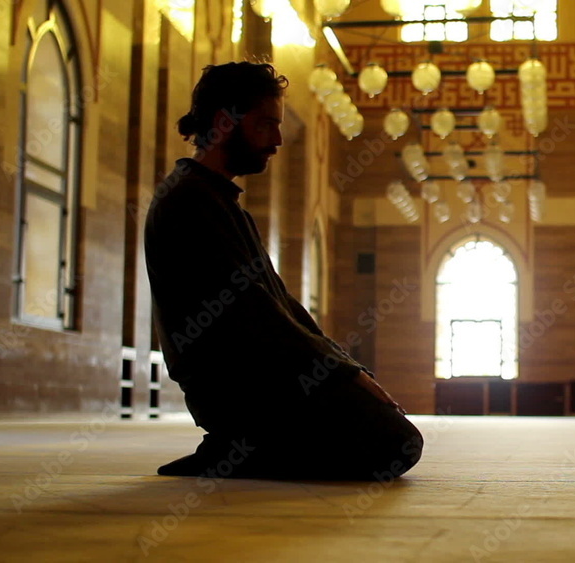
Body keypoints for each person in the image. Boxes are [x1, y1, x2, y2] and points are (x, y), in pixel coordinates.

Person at [144, 62, 423, 481]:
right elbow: (253, 314)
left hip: (265, 377)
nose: (276, 140)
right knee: (396, 443)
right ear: (224, 122)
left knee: (390, 430)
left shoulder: (222, 203)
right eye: (266, 125)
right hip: (237, 387)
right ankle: (233, 450)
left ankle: (240, 448)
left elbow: (284, 306)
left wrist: (348, 368)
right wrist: (341, 372)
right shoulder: (187, 202)